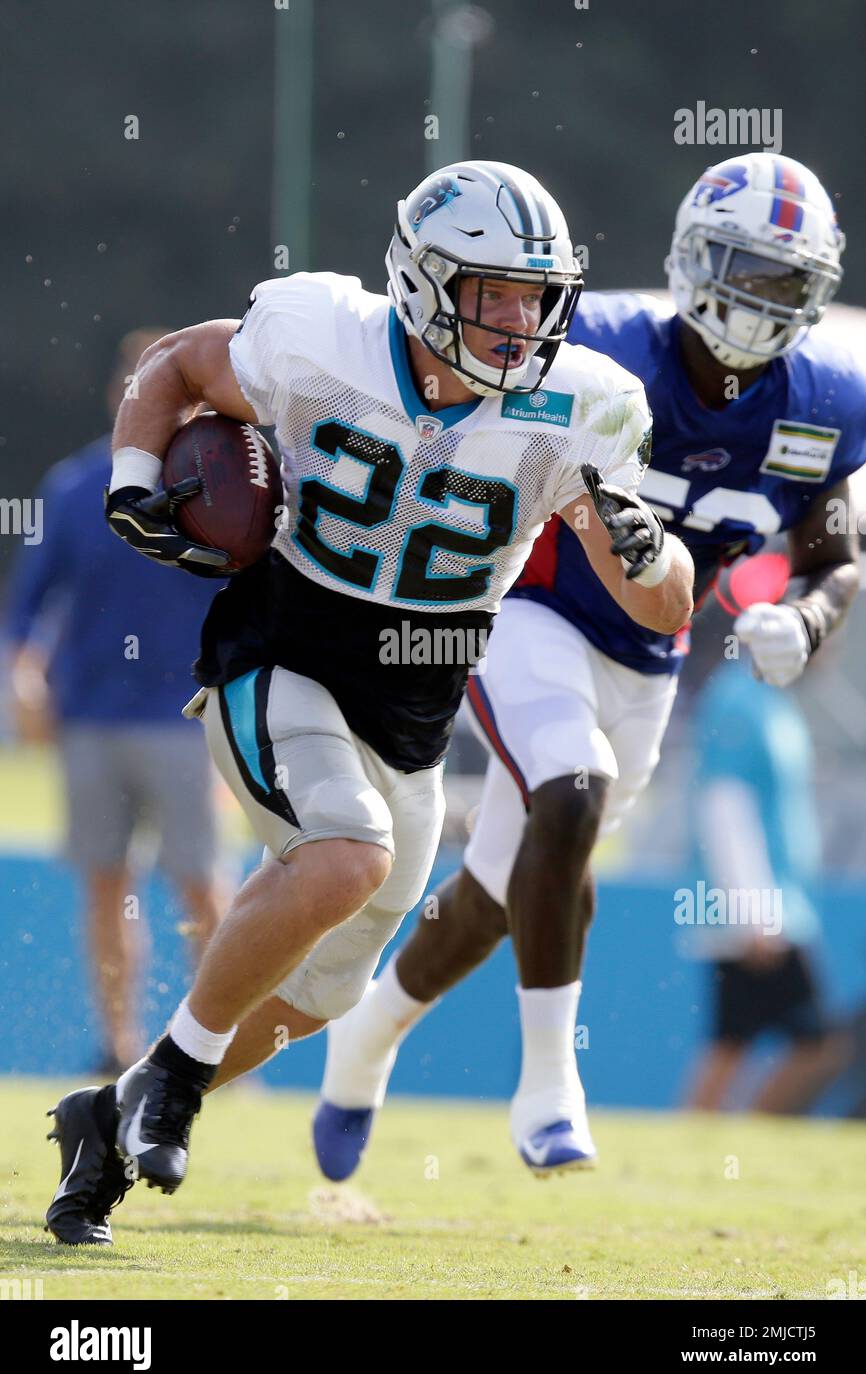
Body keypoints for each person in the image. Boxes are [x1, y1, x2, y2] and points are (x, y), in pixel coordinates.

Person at [42, 159, 694, 1244]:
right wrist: (127, 478)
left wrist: (653, 553)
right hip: (281, 652)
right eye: (488, 290)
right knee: (346, 855)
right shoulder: (322, 339)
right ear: (422, 279)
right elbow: (173, 366)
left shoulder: (579, 403)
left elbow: (659, 601)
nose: (513, 317)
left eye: (532, 294)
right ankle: (167, 1082)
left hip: (414, 706)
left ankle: (112, 1114)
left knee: (311, 998)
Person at [308, 152, 865, 1182]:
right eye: (741, 267)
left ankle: (368, 1034)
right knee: (571, 789)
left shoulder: (828, 396)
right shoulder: (594, 340)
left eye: (784, 279)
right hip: (525, 611)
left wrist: (807, 616)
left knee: (500, 885)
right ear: (692, 260)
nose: (757, 299)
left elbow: (835, 556)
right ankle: (549, 1088)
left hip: (647, 659)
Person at [7, 329, 223, 1074]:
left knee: (201, 881)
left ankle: (218, 1048)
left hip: (188, 720)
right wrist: (25, 674)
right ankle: (119, 1043)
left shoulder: (220, 487)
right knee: (107, 884)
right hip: (91, 719)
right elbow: (28, 604)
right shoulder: (73, 488)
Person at [685, 650, 842, 1114]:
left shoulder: (770, 700)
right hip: (760, 912)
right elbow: (724, 806)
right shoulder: (739, 698)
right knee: (813, 1044)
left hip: (777, 907)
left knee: (733, 1042)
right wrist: (752, 914)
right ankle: (736, 1142)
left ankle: (719, 1146)